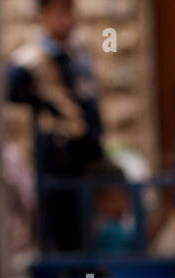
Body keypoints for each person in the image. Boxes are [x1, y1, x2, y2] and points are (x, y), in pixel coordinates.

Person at [6, 0, 104, 252]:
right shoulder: (31, 59)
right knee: (62, 226)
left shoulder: (78, 52)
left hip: (85, 154)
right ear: (43, 16)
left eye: (69, 12)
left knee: (86, 224)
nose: (67, 20)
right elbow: (10, 90)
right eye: (59, 13)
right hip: (58, 156)